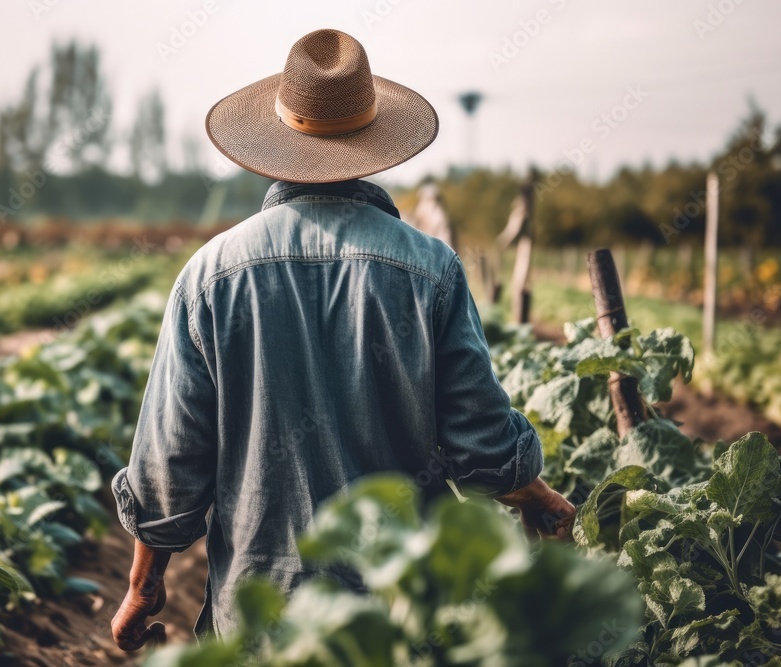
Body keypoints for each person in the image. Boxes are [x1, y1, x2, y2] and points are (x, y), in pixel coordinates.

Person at [111, 28, 575, 651]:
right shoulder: (430, 270)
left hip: (261, 618)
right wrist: (536, 496)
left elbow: (170, 468)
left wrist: (143, 587)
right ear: (374, 144)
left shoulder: (210, 276)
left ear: (277, 143)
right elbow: (482, 449)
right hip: (398, 617)